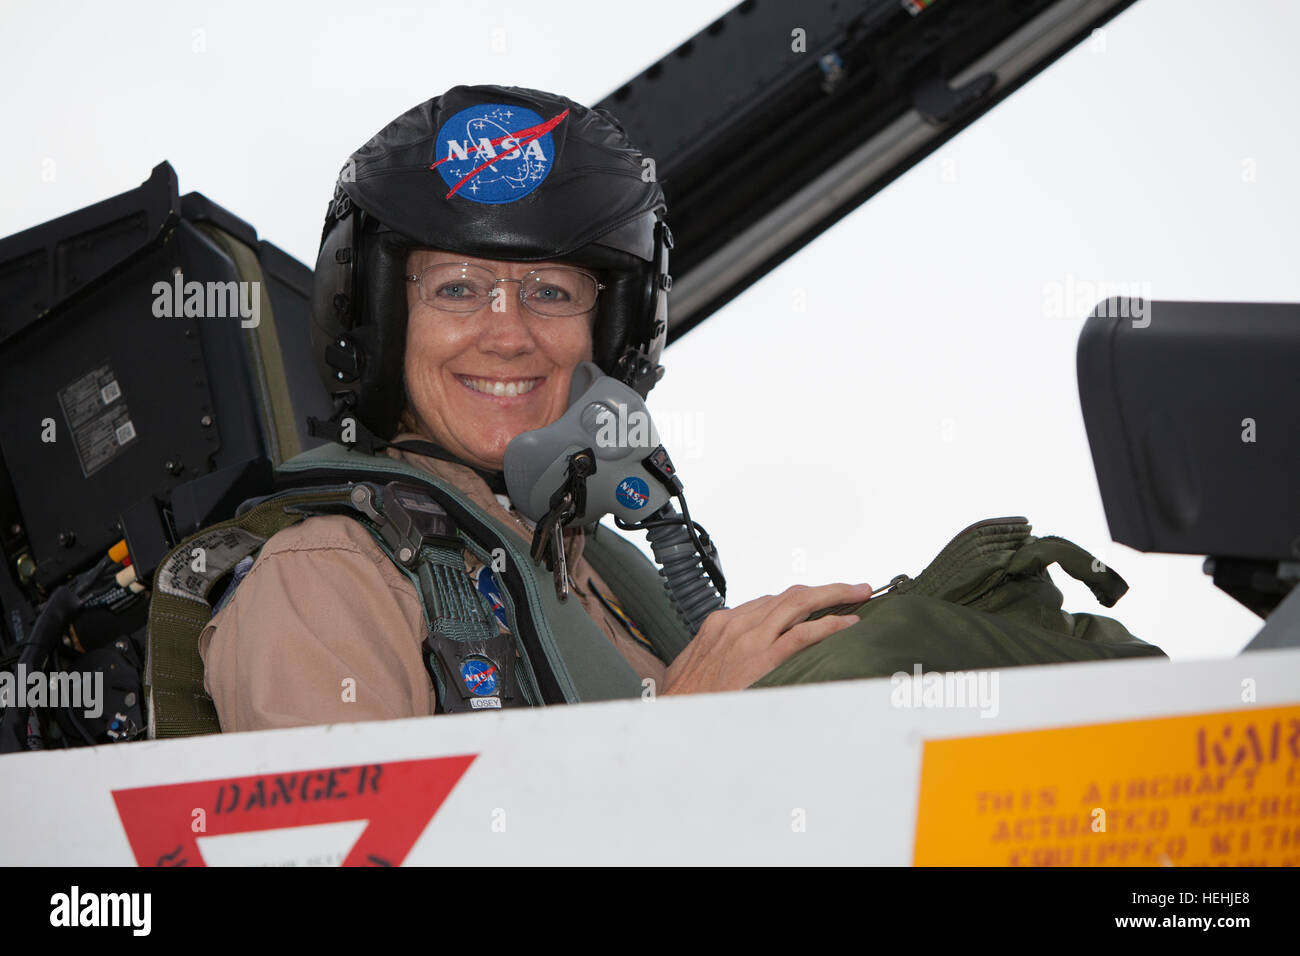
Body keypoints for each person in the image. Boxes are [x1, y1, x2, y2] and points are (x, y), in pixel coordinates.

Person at [198, 85, 872, 732]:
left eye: (550, 293)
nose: (508, 335)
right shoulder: (325, 577)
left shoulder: (606, 579)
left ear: (617, 335)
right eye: (458, 288)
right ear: (379, 320)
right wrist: (685, 723)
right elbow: (346, 849)